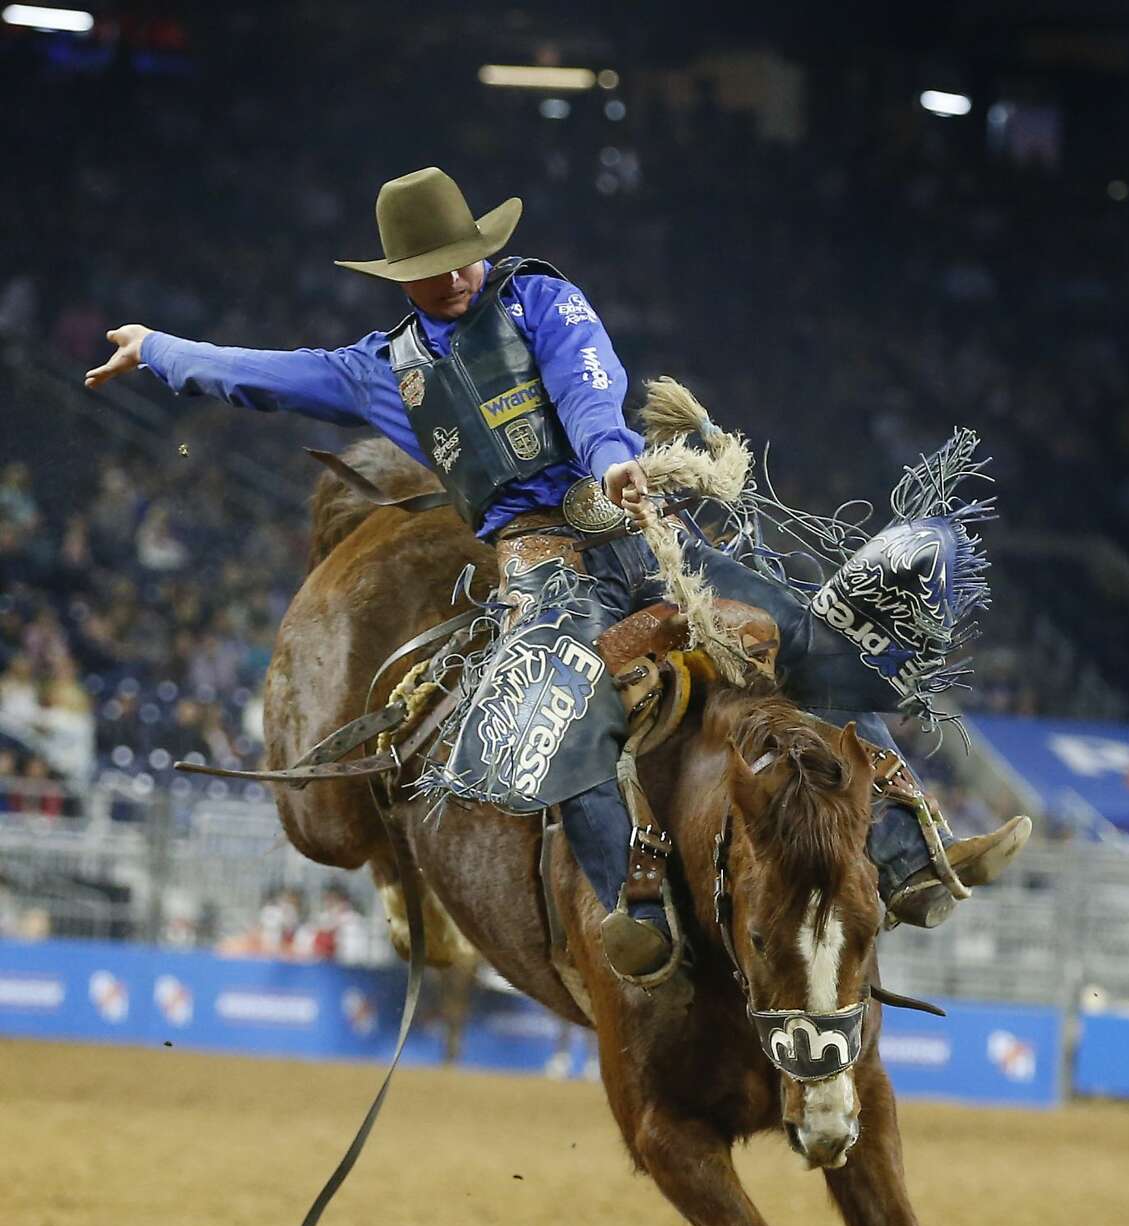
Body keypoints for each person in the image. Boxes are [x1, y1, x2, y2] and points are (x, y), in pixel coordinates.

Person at [86, 166, 1028, 983]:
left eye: (462, 257)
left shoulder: (541, 298)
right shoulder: (385, 371)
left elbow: (586, 378)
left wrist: (613, 452)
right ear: (402, 278)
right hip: (537, 571)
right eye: (433, 268)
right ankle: (636, 912)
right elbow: (268, 376)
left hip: (623, 522)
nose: (455, 277)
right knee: (559, 713)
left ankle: (909, 850)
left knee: (803, 633)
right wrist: (161, 351)